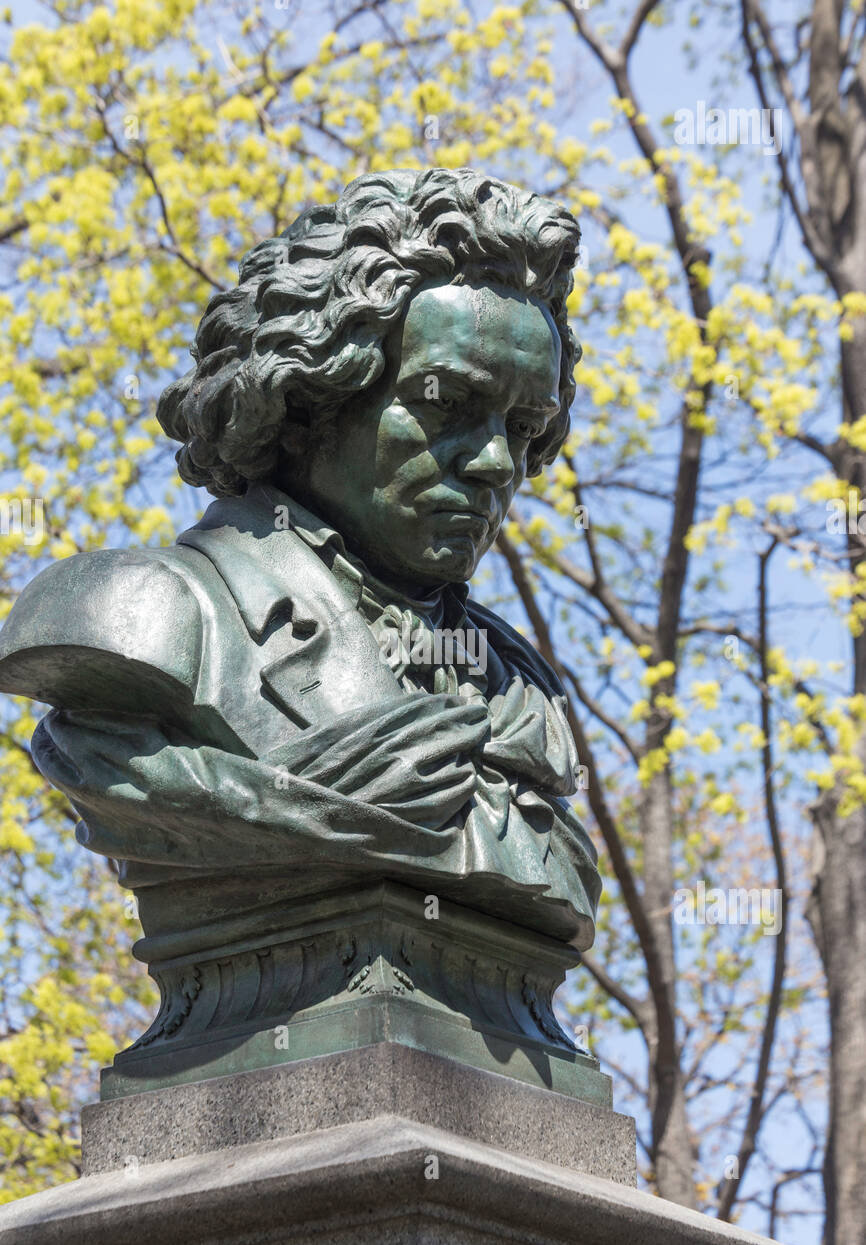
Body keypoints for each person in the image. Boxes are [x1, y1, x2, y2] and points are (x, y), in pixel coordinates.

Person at [0, 167, 600, 949]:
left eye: (522, 428)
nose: (494, 462)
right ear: (305, 400)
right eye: (445, 404)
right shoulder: (145, 613)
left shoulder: (518, 688)